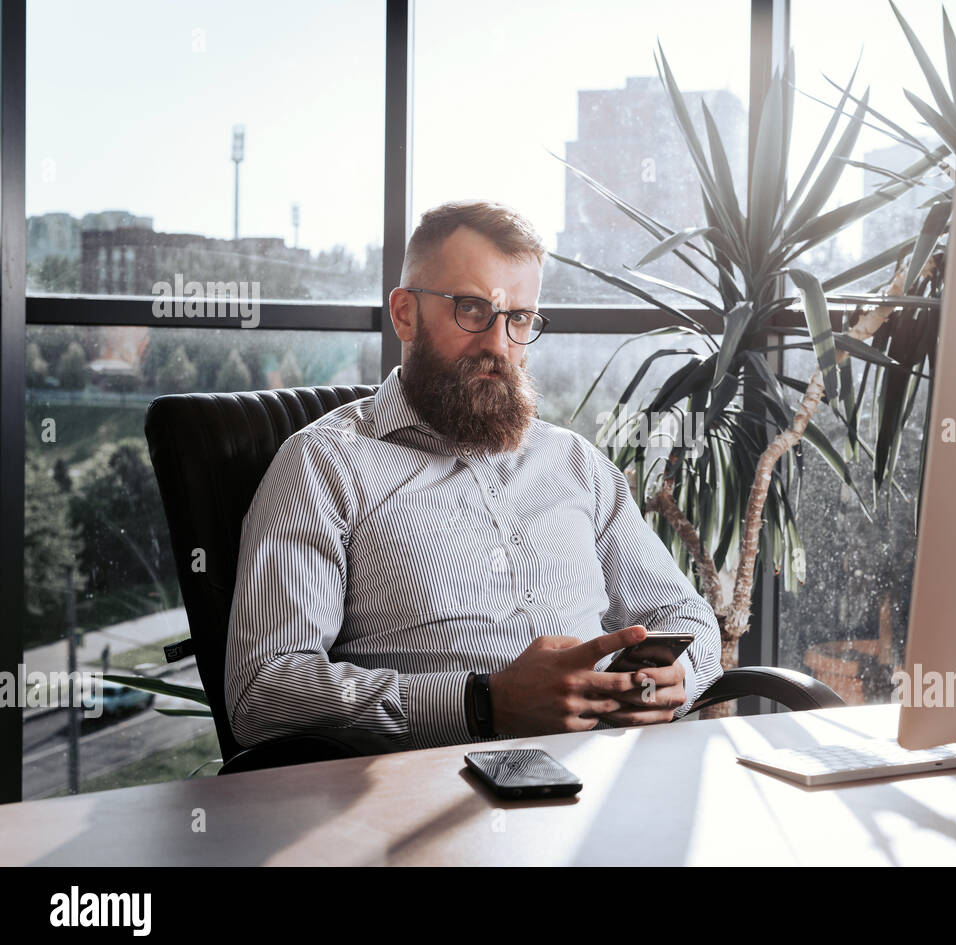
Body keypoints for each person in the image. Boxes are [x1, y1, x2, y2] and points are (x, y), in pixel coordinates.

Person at [225, 199, 723, 750]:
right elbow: (261, 694)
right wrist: (481, 703)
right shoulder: (324, 465)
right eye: (471, 309)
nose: (498, 344)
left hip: (606, 781)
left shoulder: (576, 464)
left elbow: (686, 617)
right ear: (404, 314)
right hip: (431, 797)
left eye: (519, 319)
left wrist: (671, 680)